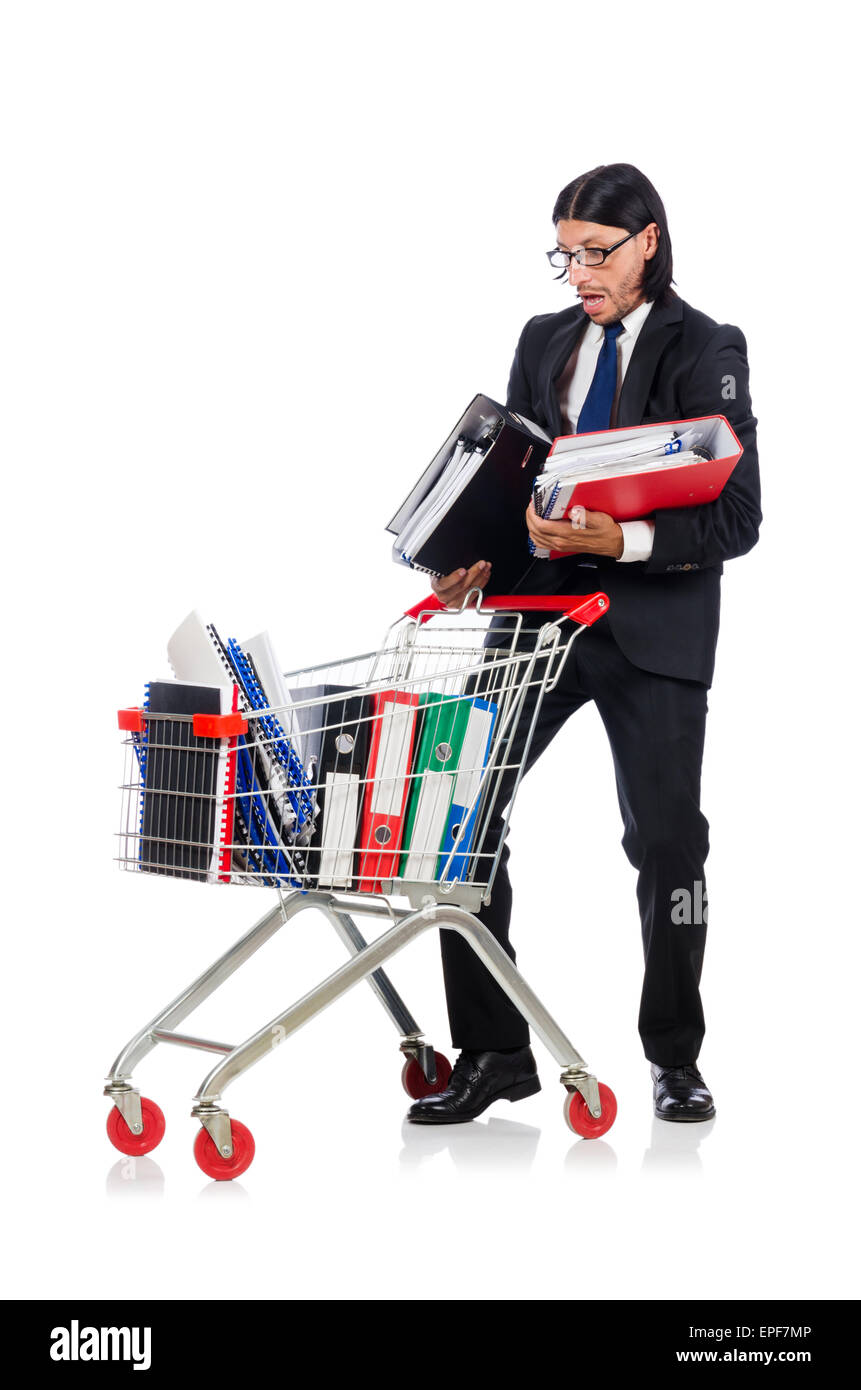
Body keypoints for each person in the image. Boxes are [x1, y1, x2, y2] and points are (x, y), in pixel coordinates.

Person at [406, 162, 761, 1126]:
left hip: (651, 628)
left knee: (667, 844)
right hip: (536, 617)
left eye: (595, 254)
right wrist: (470, 557)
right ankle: (492, 1050)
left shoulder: (706, 347)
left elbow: (738, 518)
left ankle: (673, 1055)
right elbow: (520, 477)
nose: (577, 276)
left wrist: (624, 541)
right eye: (563, 255)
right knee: (455, 818)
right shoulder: (545, 340)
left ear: (649, 238)